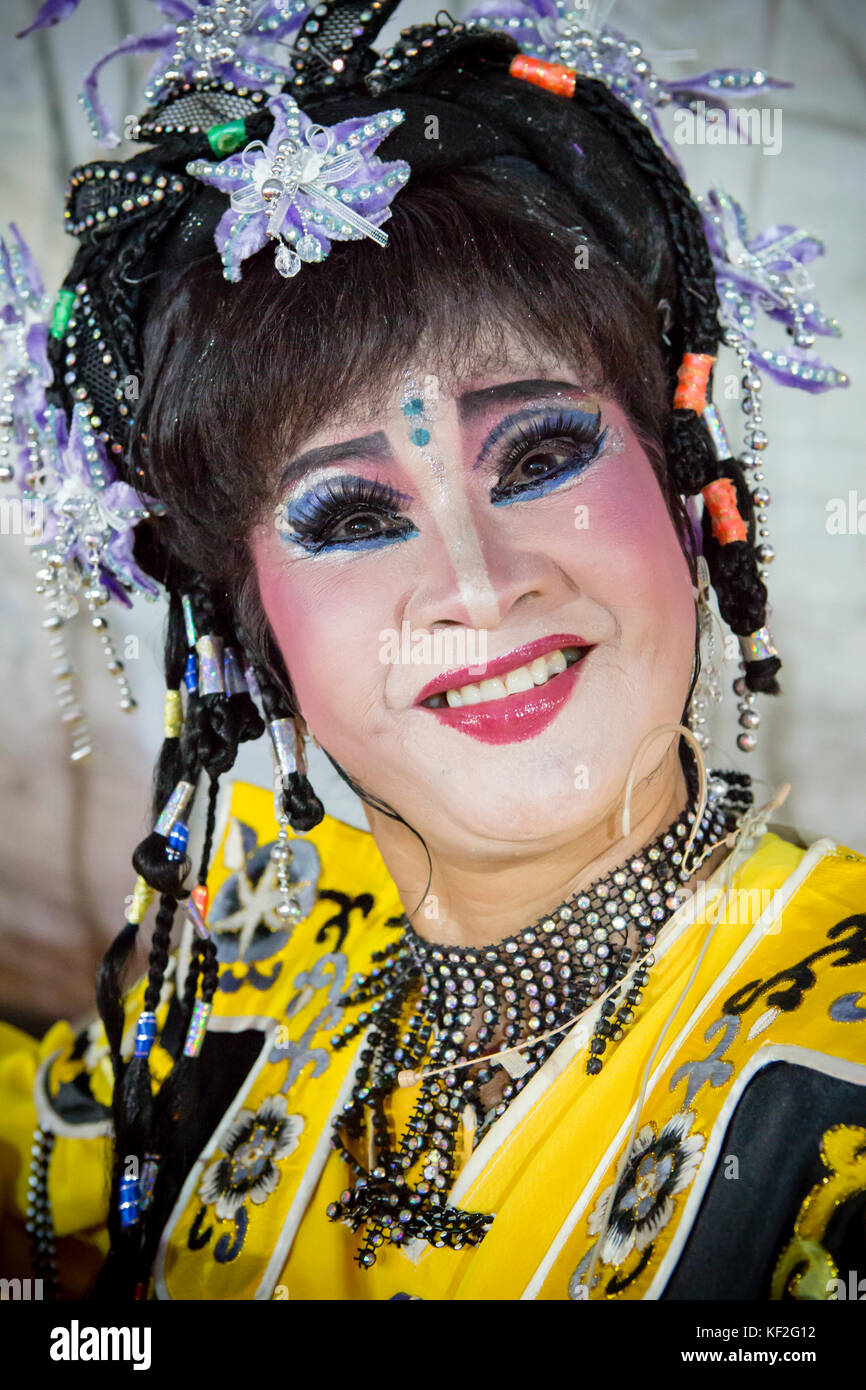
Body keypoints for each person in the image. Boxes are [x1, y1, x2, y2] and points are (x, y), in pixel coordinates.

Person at [0, 0, 863, 1303]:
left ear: (687, 501)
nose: (476, 586)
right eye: (351, 517)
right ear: (254, 637)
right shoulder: (249, 950)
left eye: (537, 456)